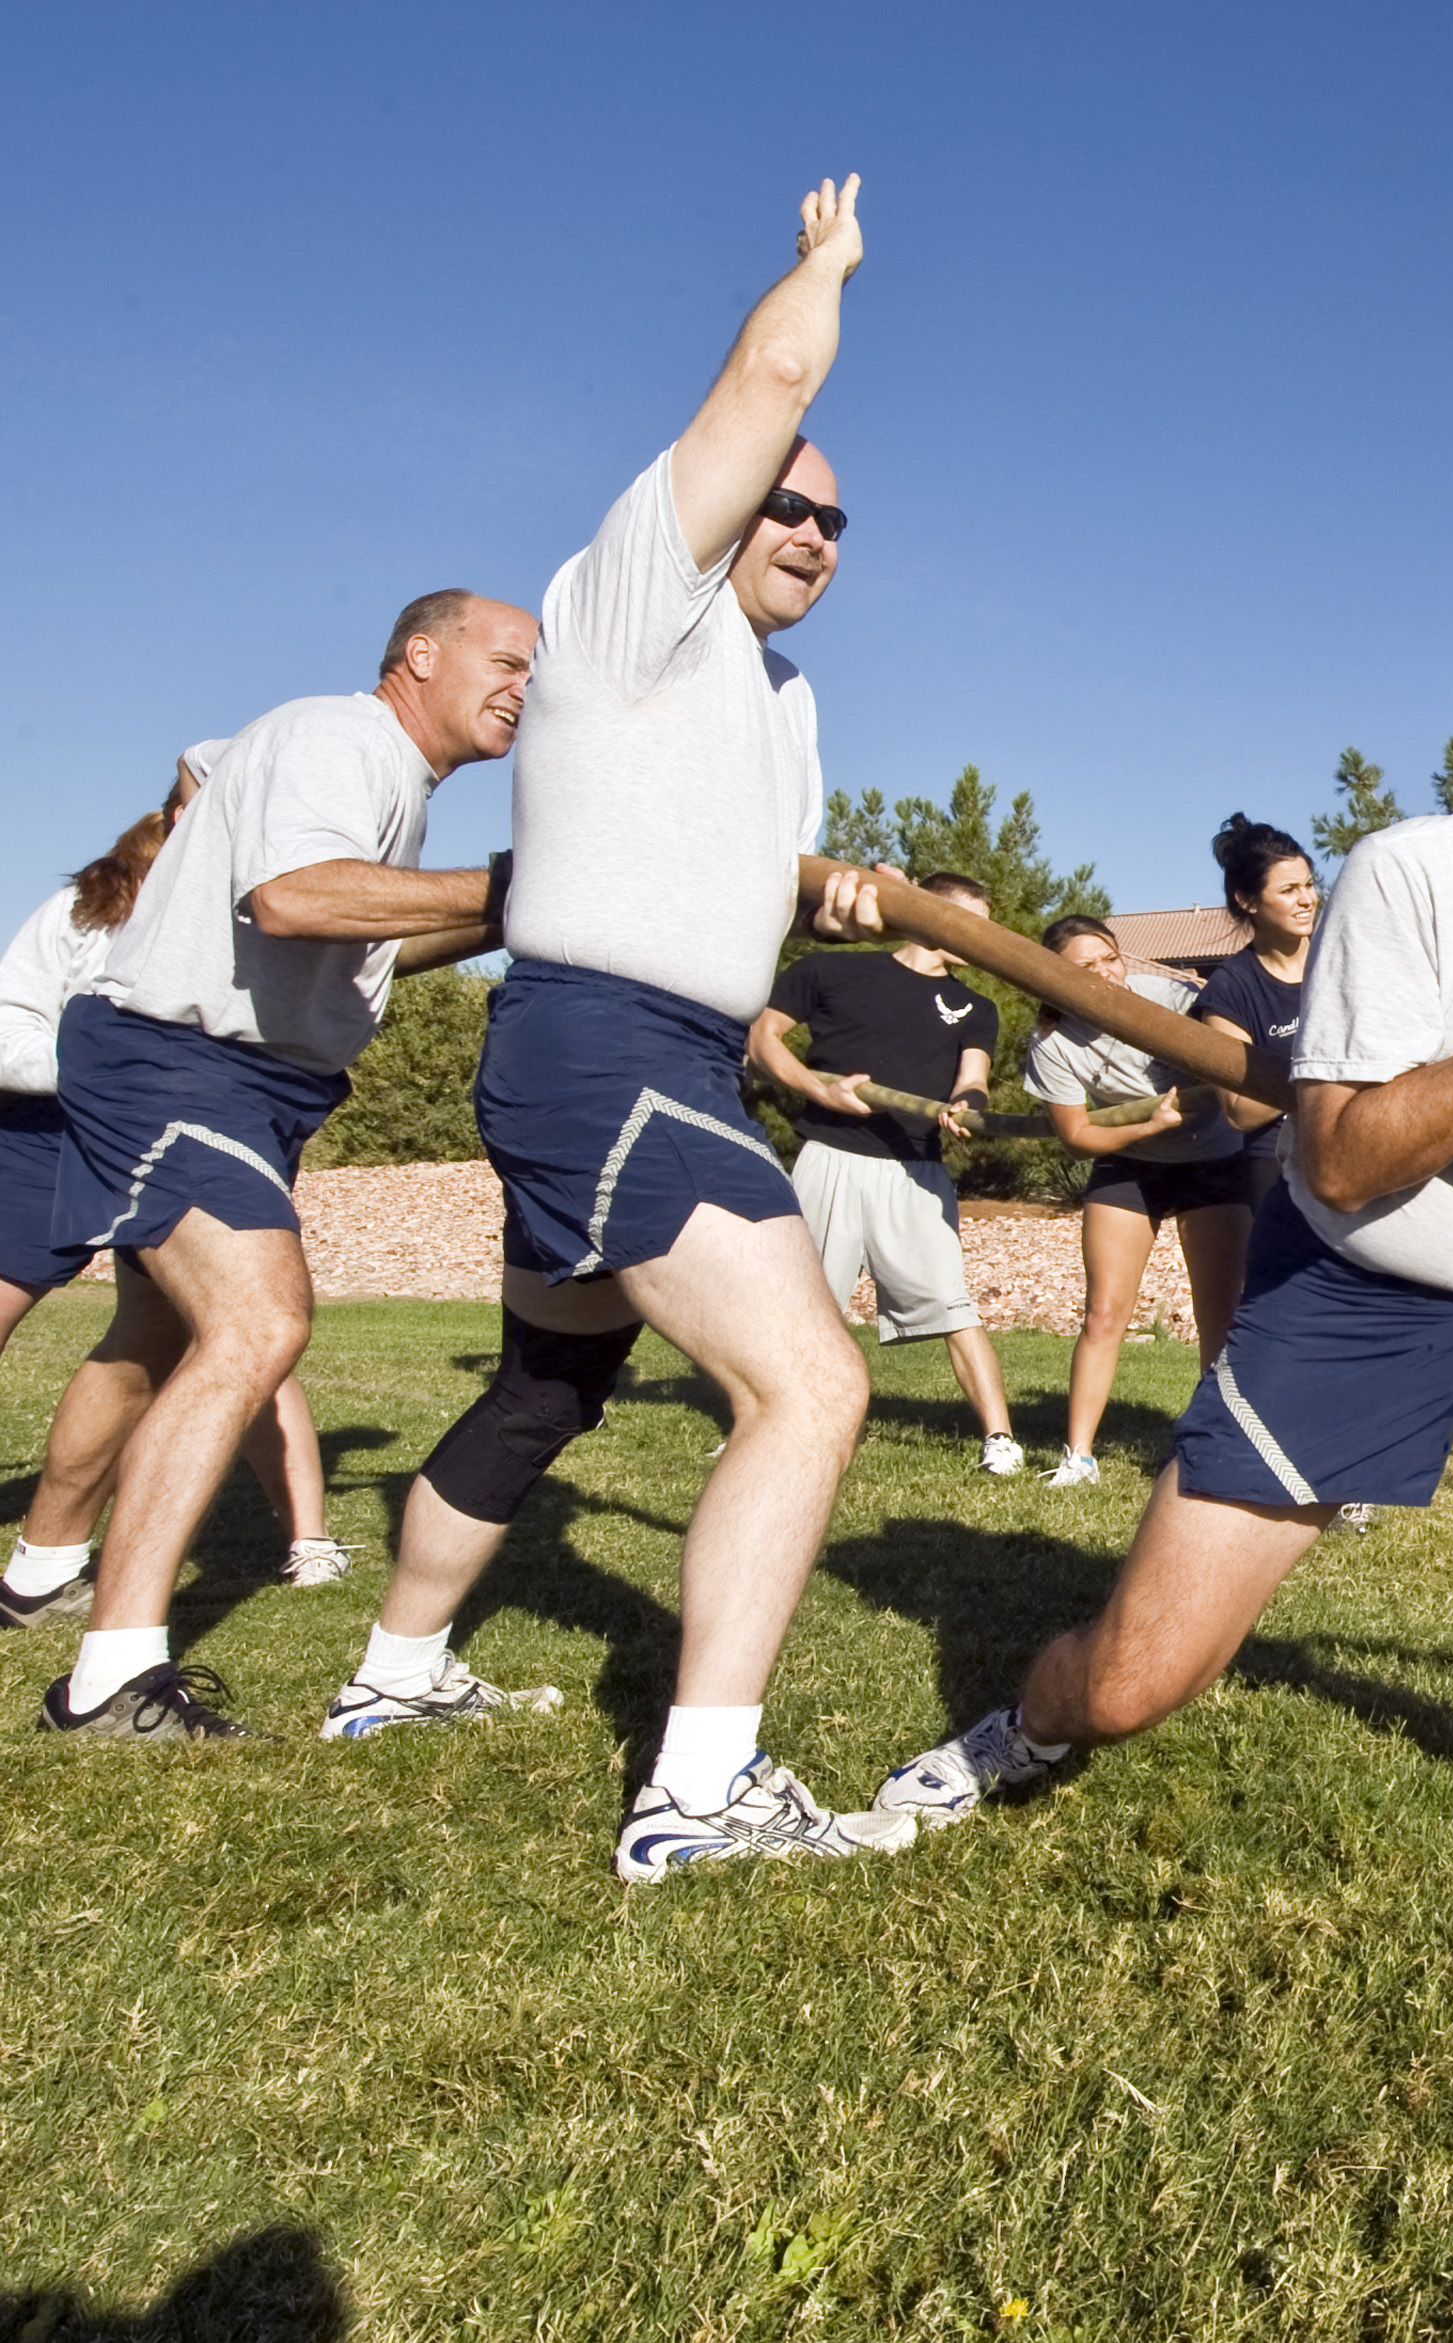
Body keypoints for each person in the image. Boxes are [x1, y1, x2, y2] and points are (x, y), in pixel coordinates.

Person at [877, 639, 1453, 1901]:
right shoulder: (1417, 876)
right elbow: (1334, 1161)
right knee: (1127, 1685)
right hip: (1350, 1295)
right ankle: (1021, 1732)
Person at [322, 178, 914, 1885]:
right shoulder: (631, 595)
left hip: (640, 1044)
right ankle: (700, 1788)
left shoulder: (777, 701)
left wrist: (830, 896)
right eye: (787, 508)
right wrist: (822, 272)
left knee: (548, 1380)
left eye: (835, 526)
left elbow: (719, 870)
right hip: (612, 1049)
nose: (809, 531)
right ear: (719, 511)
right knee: (806, 1382)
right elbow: (763, 393)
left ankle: (392, 1671)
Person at [34, 596, 532, 1740]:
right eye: (505, 661)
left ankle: (35, 1569)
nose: (522, 688)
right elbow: (296, 898)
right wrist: (508, 885)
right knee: (259, 1326)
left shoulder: (386, 781)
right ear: (422, 654)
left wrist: (518, 912)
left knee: (153, 1344)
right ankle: (111, 1674)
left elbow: (380, 942)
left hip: (255, 1089)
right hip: (179, 1066)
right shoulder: (339, 739)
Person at [0, 753, 355, 1635]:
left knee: (154, 1335)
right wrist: (100, 1077)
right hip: (50, 1125)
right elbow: (10, 1019)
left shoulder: (256, 918)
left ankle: (41, 1570)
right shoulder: (90, 905)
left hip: (182, 1129)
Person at [752, 871, 1022, 1476]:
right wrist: (814, 1087)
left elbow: (972, 1080)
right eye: (968, 924)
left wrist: (969, 1107)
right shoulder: (831, 972)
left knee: (954, 1307)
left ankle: (1000, 1440)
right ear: (926, 913)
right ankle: (768, 1427)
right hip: (830, 1157)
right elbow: (761, 1038)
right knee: (804, 1307)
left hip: (915, 1172)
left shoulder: (976, 1007)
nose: (983, 939)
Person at [1179, 814, 1377, 1528]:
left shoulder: (1341, 959)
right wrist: (1323, 1075)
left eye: (1310, 884)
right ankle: (1230, 1458)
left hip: (1355, 1157)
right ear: (1246, 902)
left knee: (1355, 1314)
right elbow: (1236, 1109)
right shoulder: (1231, 989)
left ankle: (1344, 1473)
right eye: (1288, 888)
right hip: (1269, 1174)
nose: (1306, 898)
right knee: (1265, 1324)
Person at [1020, 912, 1243, 1487]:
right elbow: (1076, 1137)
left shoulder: (1171, 995)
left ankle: (1210, 1448)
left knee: (1217, 1315)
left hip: (1213, 1158)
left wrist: (1212, 995)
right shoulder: (1053, 1041)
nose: (1104, 973)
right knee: (1103, 1313)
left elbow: (1237, 1042)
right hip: (1127, 1159)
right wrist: (1147, 1129)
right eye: (1085, 966)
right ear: (1055, 978)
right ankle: (1078, 1457)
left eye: (1109, 958)